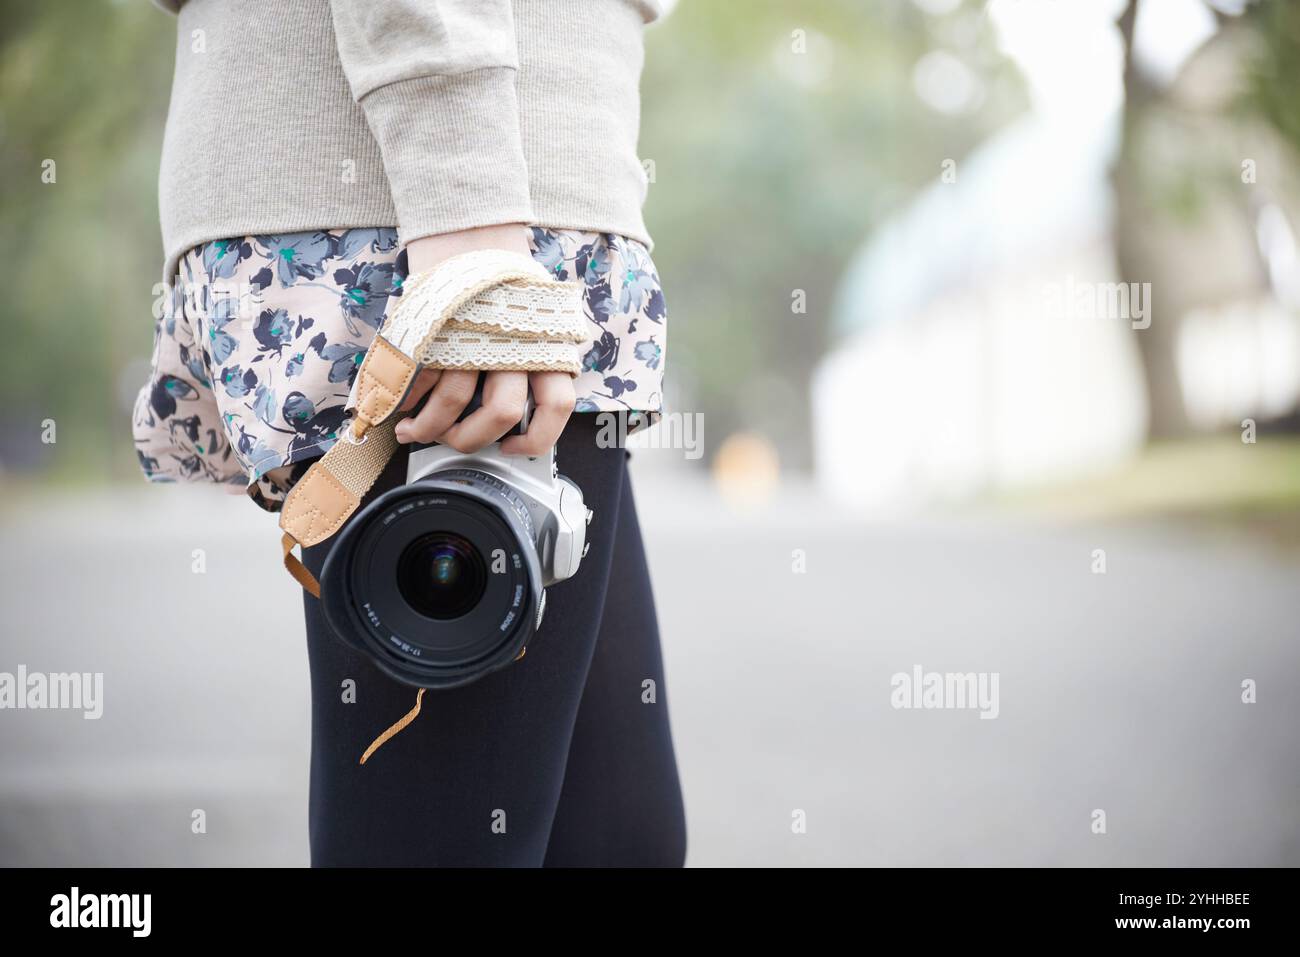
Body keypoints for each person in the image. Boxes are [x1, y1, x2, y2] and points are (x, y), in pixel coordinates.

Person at [132, 0, 686, 867]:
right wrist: (468, 223)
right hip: (436, 208)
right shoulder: (465, 215)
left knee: (619, 835)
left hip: (507, 199)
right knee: (449, 841)